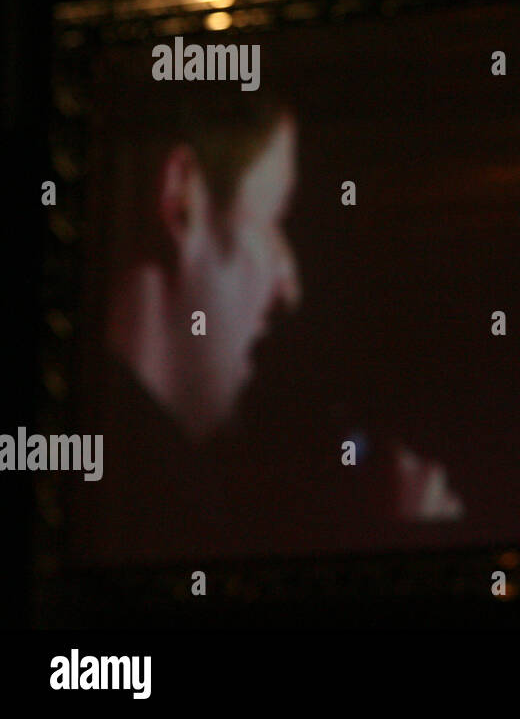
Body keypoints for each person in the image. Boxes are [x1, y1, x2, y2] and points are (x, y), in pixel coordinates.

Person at [71, 83, 460, 563]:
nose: (288, 288)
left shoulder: (105, 479)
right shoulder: (161, 522)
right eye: (273, 218)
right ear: (181, 195)